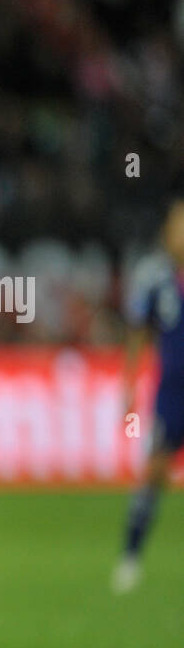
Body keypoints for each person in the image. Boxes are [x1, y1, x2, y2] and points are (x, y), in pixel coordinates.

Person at [112, 199, 184, 594]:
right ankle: (130, 556)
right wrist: (127, 387)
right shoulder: (155, 279)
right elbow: (138, 336)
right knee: (153, 474)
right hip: (172, 395)